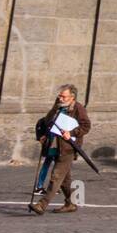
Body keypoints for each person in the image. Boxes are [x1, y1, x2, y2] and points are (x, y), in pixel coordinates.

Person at [30, 84, 92, 215]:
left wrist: (72, 133)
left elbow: (86, 126)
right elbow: (47, 121)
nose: (60, 98)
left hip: (67, 148)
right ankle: (70, 203)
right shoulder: (57, 107)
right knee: (65, 180)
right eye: (59, 96)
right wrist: (44, 134)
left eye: (63, 96)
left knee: (56, 176)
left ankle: (42, 204)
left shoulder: (78, 108)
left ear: (72, 97)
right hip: (53, 145)